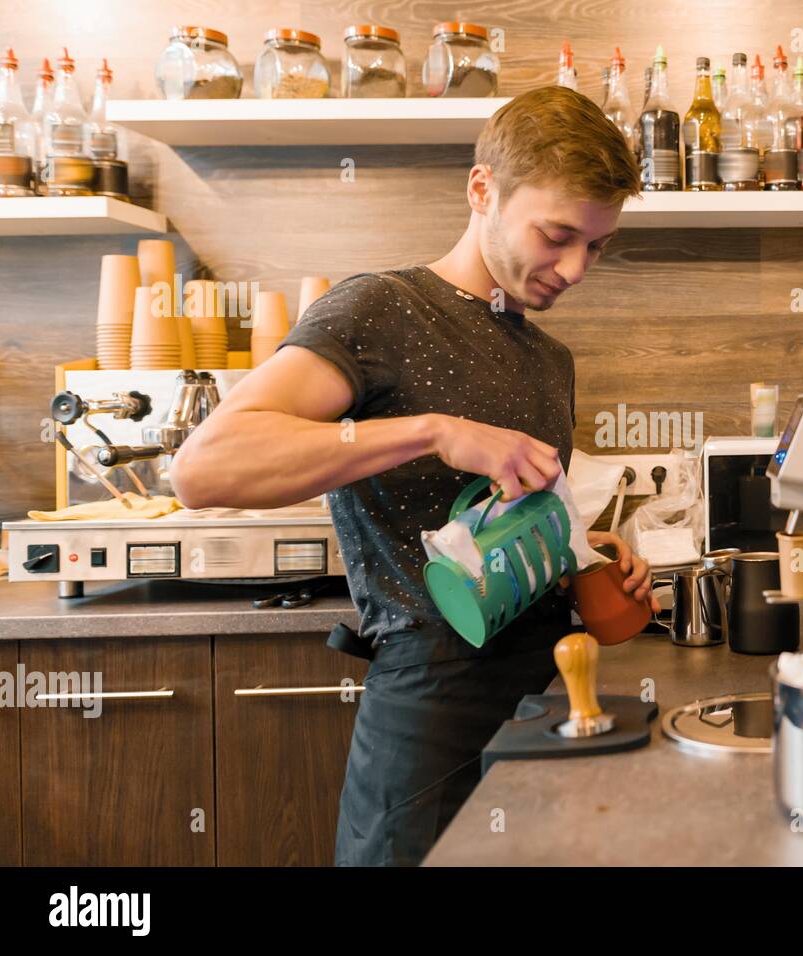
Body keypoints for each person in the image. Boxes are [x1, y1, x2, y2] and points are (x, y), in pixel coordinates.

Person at [170, 85, 655, 865]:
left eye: (596, 246)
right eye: (557, 234)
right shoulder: (378, 312)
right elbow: (205, 467)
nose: (574, 268)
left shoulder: (548, 358)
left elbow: (485, 528)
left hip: (545, 702)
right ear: (481, 190)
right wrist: (436, 432)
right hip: (430, 714)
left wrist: (576, 550)